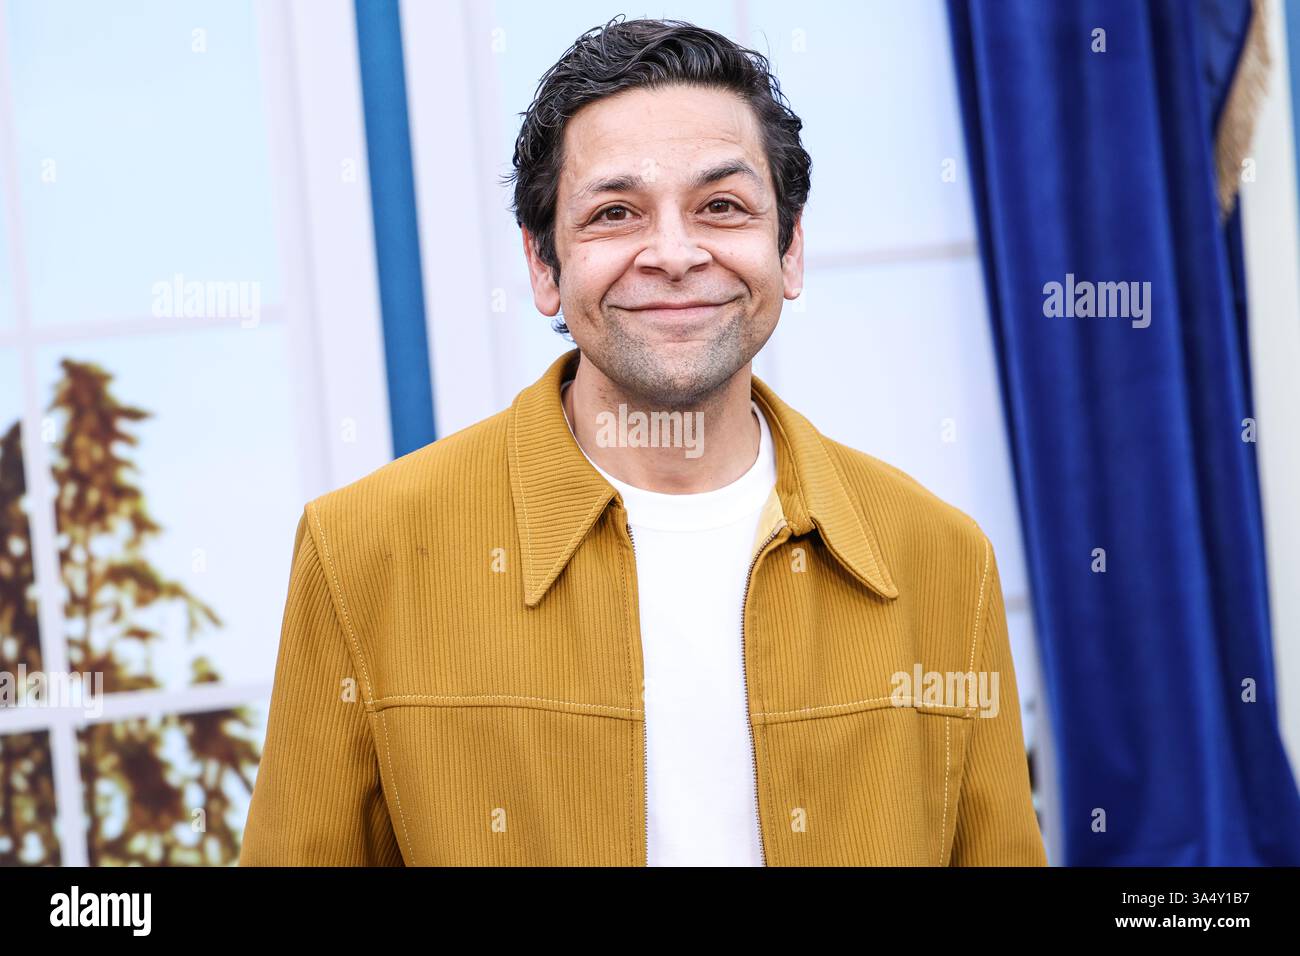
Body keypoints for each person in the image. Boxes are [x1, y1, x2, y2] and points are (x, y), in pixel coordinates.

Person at [239, 16, 1046, 867]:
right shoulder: (362, 554)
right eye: (615, 213)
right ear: (544, 265)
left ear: (790, 249)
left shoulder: (944, 561)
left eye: (722, 206)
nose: (673, 253)